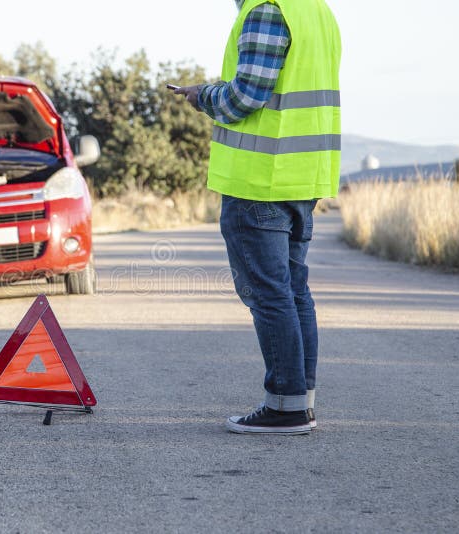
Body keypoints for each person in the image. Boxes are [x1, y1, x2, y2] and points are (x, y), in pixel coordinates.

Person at [174, 0, 341, 435]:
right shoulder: (315, 10)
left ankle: (286, 407)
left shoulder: (267, 9)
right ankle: (298, 401)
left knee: (270, 294)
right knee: (292, 291)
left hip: (261, 181)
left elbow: (245, 97)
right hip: (302, 176)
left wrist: (202, 95)